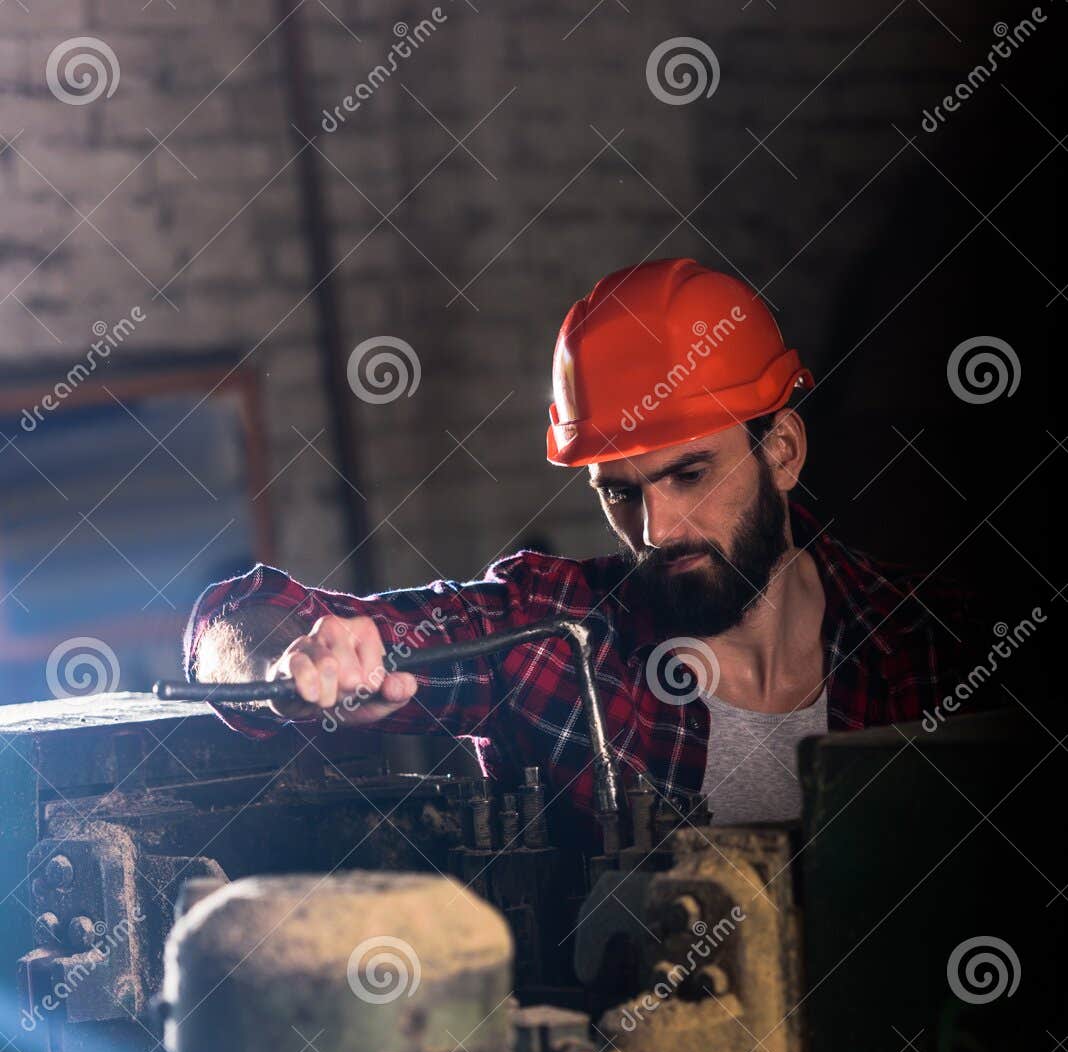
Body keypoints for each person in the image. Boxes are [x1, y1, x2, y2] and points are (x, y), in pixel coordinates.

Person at [185, 258, 973, 827]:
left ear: (784, 453)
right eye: (621, 494)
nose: (656, 531)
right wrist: (283, 660)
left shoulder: (926, 643)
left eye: (691, 476)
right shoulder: (554, 641)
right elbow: (241, 615)